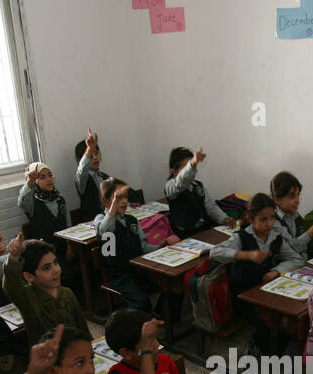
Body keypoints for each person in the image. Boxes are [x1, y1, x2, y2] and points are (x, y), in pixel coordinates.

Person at [208, 193, 303, 354]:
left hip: (267, 291)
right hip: (244, 295)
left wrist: (276, 271)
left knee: (288, 321)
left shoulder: (276, 237)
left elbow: (296, 259)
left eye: (272, 218)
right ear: (251, 220)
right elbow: (214, 252)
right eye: (263, 219)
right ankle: (257, 346)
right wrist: (245, 255)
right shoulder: (242, 238)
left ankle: (271, 346)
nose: (269, 223)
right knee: (269, 325)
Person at [2, 238, 88, 345]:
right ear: (29, 276)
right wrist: (14, 256)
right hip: (47, 358)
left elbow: (83, 328)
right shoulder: (28, 298)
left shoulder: (67, 293)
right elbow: (11, 285)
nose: (56, 270)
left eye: (55, 262)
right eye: (46, 268)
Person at [94, 178, 156, 313]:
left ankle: (161, 316)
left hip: (139, 267)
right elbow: (106, 230)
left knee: (171, 285)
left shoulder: (131, 220)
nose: (123, 201)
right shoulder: (100, 220)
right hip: (120, 275)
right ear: (105, 201)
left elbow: (144, 247)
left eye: (125, 197)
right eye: (117, 197)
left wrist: (162, 246)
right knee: (141, 302)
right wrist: (112, 207)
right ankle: (137, 326)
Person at [164, 146, 229, 238]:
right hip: (184, 235)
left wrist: (224, 219)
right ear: (174, 172)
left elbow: (211, 207)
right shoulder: (170, 186)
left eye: (193, 167)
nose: (191, 171)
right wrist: (191, 164)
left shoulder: (198, 185)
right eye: (186, 168)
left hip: (202, 230)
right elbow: (181, 182)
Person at [269, 171, 313, 261]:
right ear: (277, 200)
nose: (297, 200)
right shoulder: (273, 221)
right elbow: (295, 247)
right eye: (292, 196)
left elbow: (304, 246)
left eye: (298, 195)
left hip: (301, 263)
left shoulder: (295, 215)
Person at [18, 161, 69, 241]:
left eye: (50, 175)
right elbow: (21, 203)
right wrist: (30, 181)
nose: (48, 179)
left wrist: (70, 244)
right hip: (44, 249)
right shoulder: (32, 202)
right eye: (42, 177)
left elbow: (67, 224)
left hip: (64, 245)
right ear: (35, 182)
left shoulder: (60, 198)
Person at [75, 128, 111, 219]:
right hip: (92, 222)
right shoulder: (82, 178)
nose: (95, 158)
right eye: (91, 155)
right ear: (79, 160)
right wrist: (89, 149)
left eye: (97, 153)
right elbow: (82, 170)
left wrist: (133, 200)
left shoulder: (105, 177)